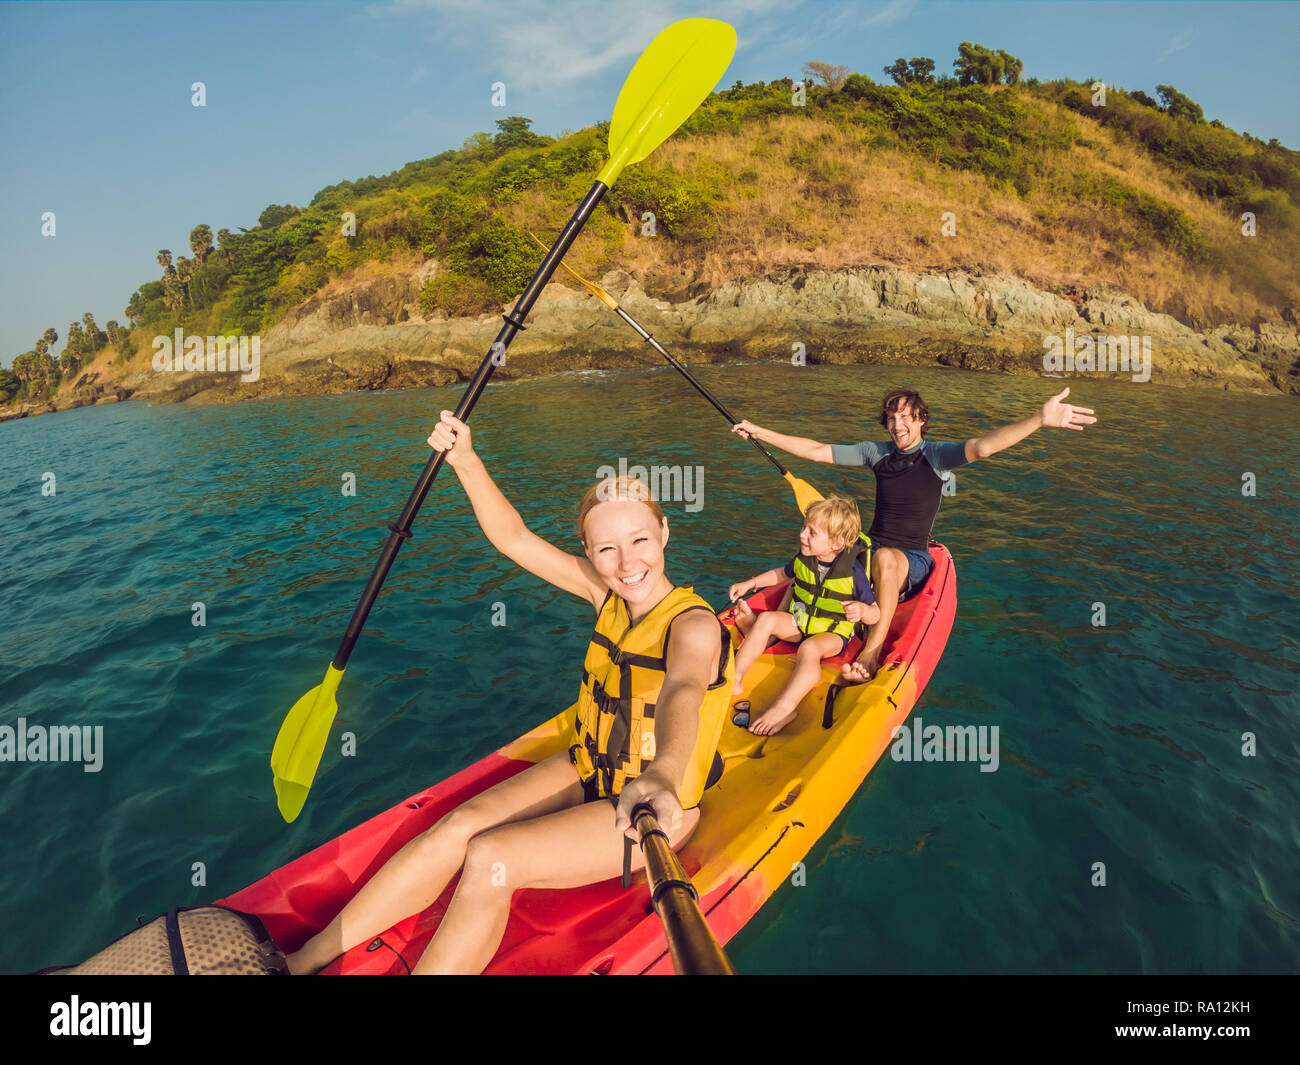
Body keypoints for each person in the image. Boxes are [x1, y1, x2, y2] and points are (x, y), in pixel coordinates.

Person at [285, 410, 733, 975]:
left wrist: (664, 774)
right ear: (590, 553)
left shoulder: (693, 626)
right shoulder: (606, 595)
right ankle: (303, 962)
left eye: (640, 539)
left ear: (665, 532)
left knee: (490, 855)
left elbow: (684, 691)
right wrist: (466, 459)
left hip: (651, 809)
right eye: (606, 550)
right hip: (592, 768)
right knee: (459, 826)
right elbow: (514, 538)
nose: (627, 563)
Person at [733, 386, 1096, 682]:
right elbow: (815, 452)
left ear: (921, 419)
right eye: (891, 418)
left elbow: (985, 446)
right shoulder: (876, 453)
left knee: (888, 559)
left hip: (913, 557)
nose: (897, 424)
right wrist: (758, 431)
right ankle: (781, 623)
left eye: (906, 416)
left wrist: (1040, 419)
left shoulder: (936, 456)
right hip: (870, 549)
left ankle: (872, 651)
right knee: (818, 545)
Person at [726, 496, 879, 736]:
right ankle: (735, 676)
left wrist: (862, 611)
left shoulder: (853, 571)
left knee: (809, 649)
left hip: (832, 633)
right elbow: (783, 574)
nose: (802, 535)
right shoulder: (804, 558)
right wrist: (751, 583)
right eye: (804, 528)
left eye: (812, 532)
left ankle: (786, 707)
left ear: (836, 542)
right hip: (800, 621)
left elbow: (875, 613)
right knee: (767, 620)